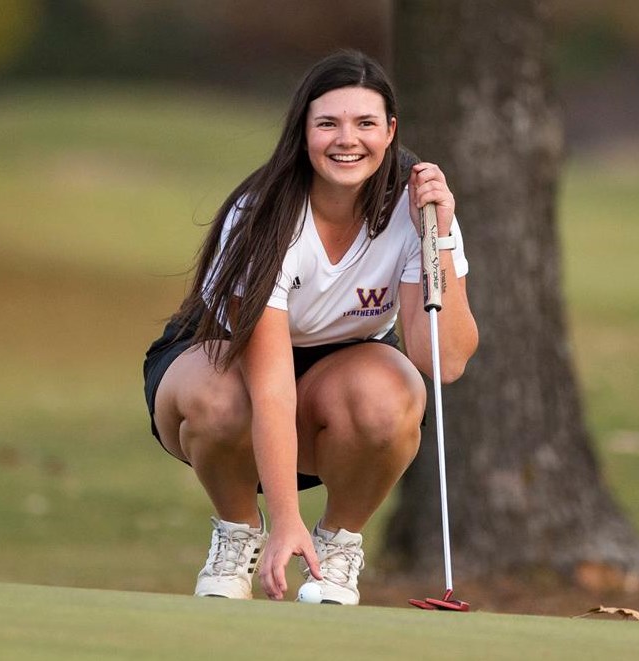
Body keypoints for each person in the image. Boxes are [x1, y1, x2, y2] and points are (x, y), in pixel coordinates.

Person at [141, 50, 478, 605]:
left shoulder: (418, 207)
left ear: (390, 131)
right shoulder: (263, 216)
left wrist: (437, 236)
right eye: (328, 124)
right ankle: (237, 535)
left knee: (391, 394)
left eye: (366, 123)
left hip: (343, 365)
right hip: (221, 357)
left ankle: (337, 546)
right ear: (304, 133)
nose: (348, 139)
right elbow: (271, 381)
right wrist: (283, 521)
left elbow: (444, 357)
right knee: (224, 399)